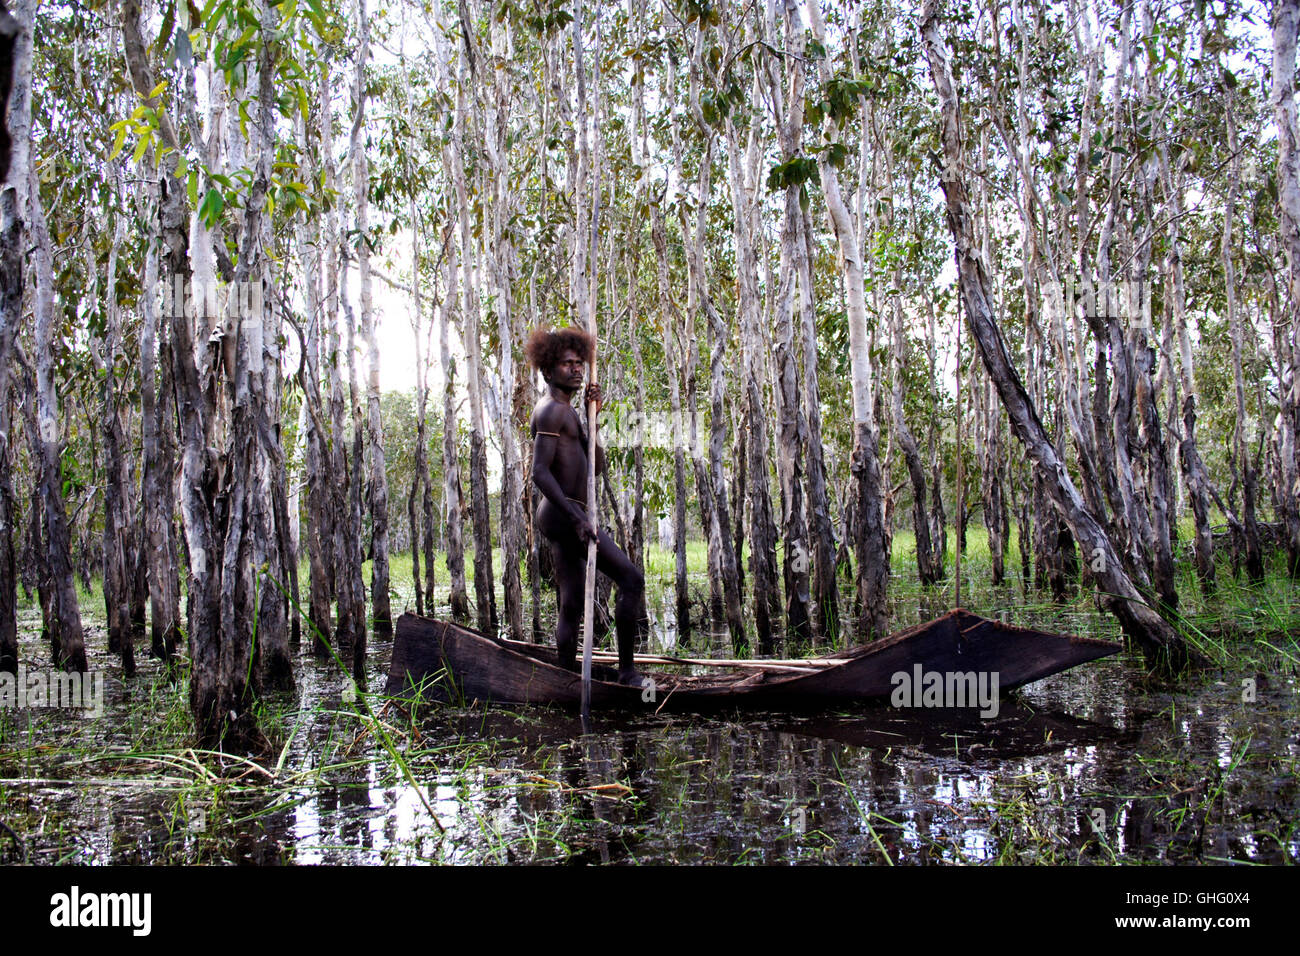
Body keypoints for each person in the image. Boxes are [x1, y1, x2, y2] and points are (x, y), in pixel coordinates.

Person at [526, 325, 644, 686]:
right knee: (631, 579)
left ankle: (564, 678)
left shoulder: (568, 412)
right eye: (567, 364)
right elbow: (539, 473)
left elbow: (597, 465)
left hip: (566, 514)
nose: (577, 369)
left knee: (572, 601)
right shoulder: (550, 412)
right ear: (548, 370)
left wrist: (594, 414)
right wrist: (577, 517)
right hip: (562, 515)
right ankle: (627, 675)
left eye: (580, 363)